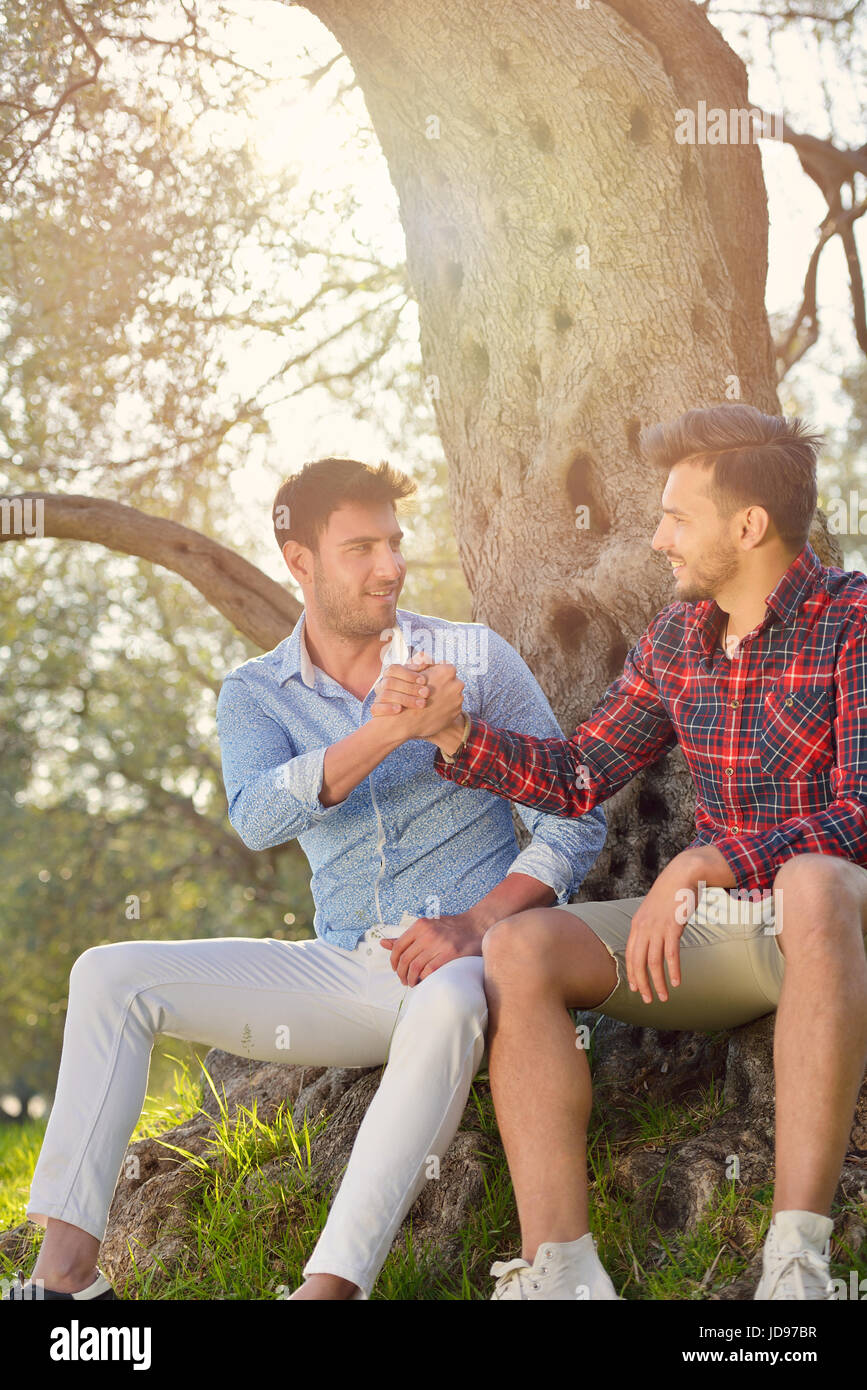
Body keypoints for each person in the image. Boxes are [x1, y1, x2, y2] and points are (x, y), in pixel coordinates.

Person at [5, 456, 605, 1302]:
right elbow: (256, 818)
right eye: (360, 547)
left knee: (447, 996)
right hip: (343, 971)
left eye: (393, 543)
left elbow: (574, 815)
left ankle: (328, 1290)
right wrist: (391, 732)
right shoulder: (255, 694)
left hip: (468, 965)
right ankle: (64, 1281)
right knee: (107, 973)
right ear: (299, 561)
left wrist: (476, 923)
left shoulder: (473, 658)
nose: (390, 566)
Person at [373, 403, 867, 1301]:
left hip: (835, 923)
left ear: (748, 525)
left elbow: (860, 813)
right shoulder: (677, 641)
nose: (656, 539)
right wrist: (452, 735)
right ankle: (560, 1271)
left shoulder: (854, 617)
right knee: (518, 946)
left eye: (677, 516)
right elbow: (576, 773)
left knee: (811, 877)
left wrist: (712, 860)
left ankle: (797, 1267)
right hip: (727, 936)